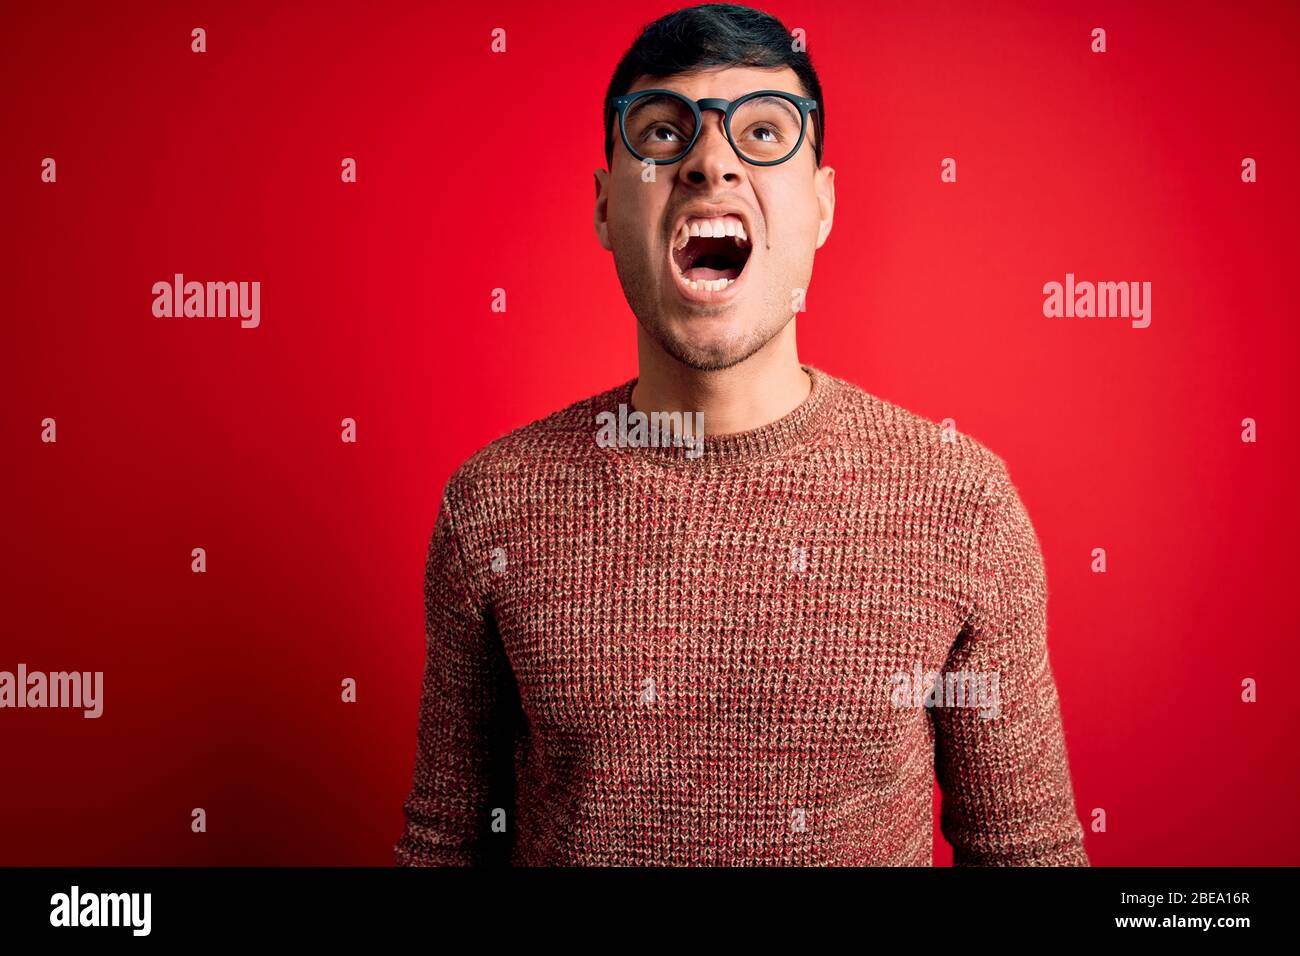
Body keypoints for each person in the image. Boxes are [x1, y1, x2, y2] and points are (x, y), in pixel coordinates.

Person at [394, 2, 1089, 866]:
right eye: (660, 133)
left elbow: (1028, 853)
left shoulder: (963, 506)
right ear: (608, 208)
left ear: (822, 206)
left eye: (764, 131)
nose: (710, 162)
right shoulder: (492, 506)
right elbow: (444, 848)